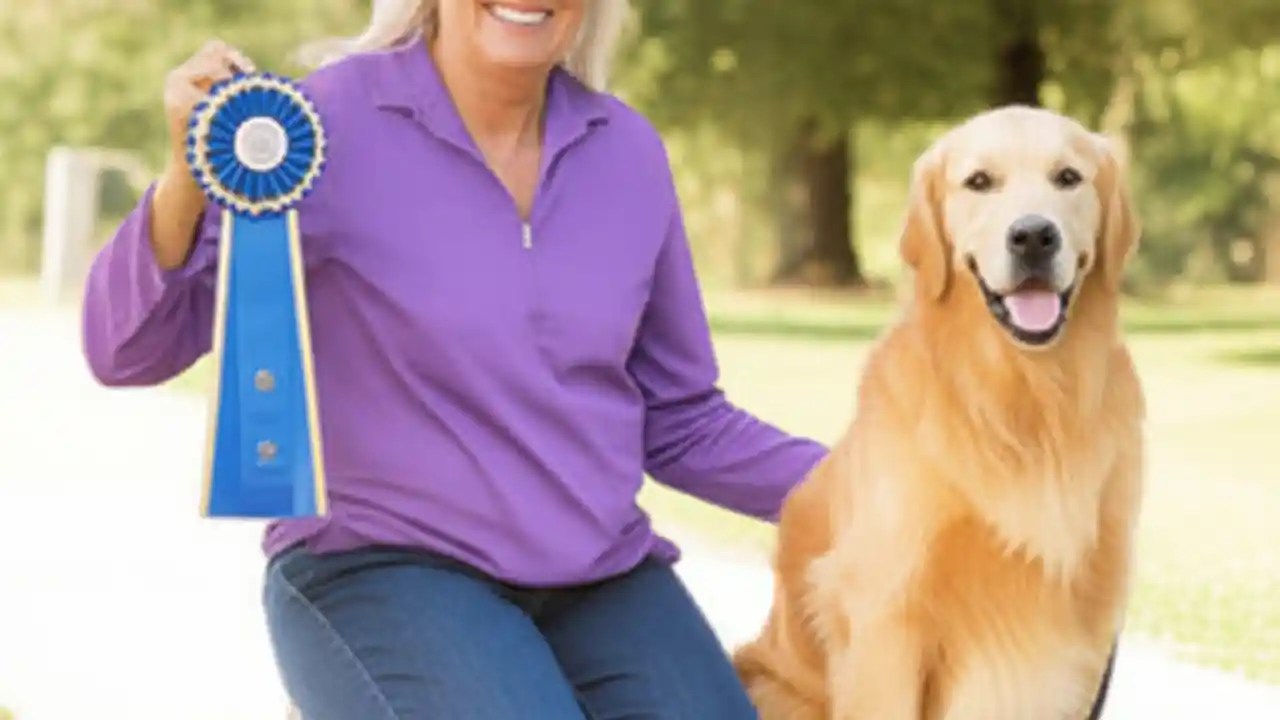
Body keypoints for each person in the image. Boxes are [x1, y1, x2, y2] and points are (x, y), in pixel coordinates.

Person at [81, 0, 827, 717]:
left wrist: (891, 487)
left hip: (600, 575)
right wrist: (185, 177)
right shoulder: (315, 129)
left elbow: (683, 419)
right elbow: (123, 349)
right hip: (382, 563)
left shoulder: (628, 153)